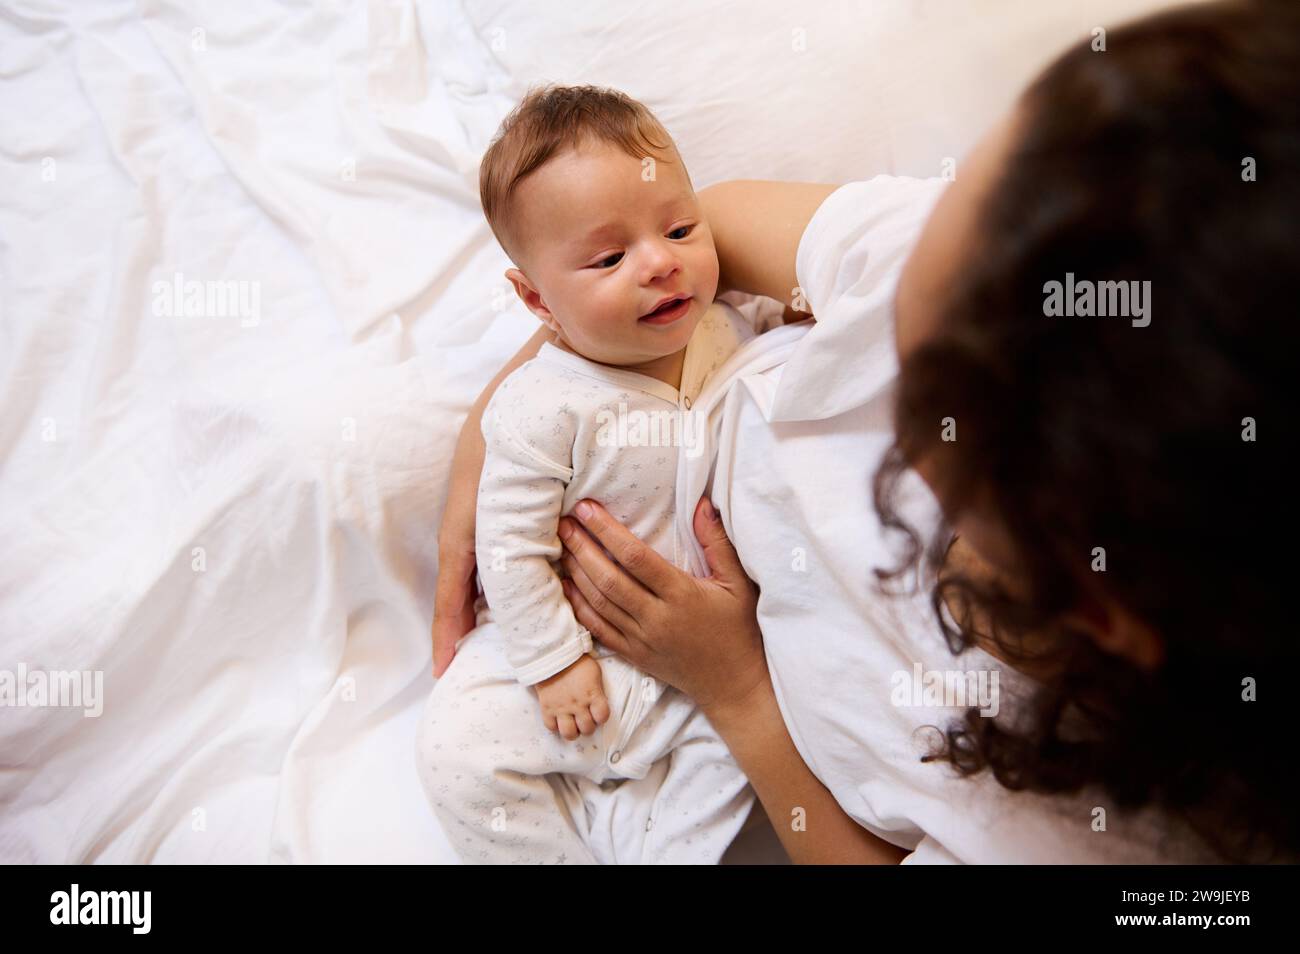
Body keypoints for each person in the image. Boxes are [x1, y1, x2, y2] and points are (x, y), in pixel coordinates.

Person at [433, 0, 1296, 863]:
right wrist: (524, 398)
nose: (886, 276)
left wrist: (737, 688)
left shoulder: (1087, 842)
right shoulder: (978, 244)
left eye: (924, 395)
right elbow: (716, 222)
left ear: (1092, 600)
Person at [416, 85, 765, 864]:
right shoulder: (544, 404)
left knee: (751, 755)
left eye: (680, 228)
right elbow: (507, 546)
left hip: (706, 669)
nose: (661, 262)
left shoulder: (731, 328)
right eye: (610, 258)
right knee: (456, 745)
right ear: (537, 298)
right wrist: (554, 662)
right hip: (575, 654)